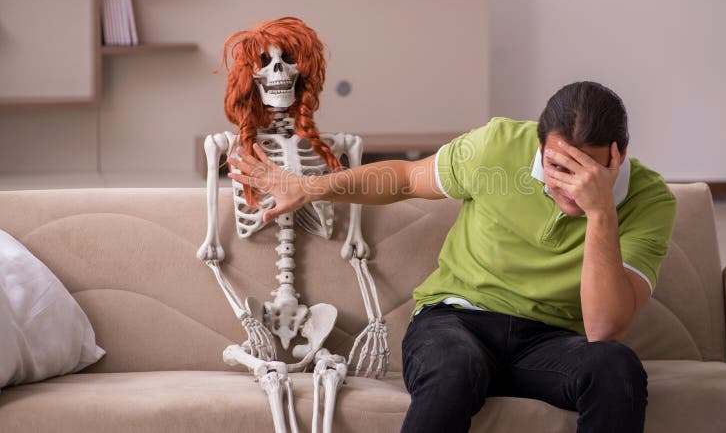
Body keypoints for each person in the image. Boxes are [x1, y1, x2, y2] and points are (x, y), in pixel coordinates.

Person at [227, 81, 677, 433]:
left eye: (590, 173)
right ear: (539, 146)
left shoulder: (649, 199)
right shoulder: (499, 145)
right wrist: (308, 187)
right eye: (558, 169)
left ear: (618, 158)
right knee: (453, 368)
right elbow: (404, 178)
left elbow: (603, 328)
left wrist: (600, 212)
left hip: (551, 344)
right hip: (456, 322)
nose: (569, 187)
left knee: (616, 367)